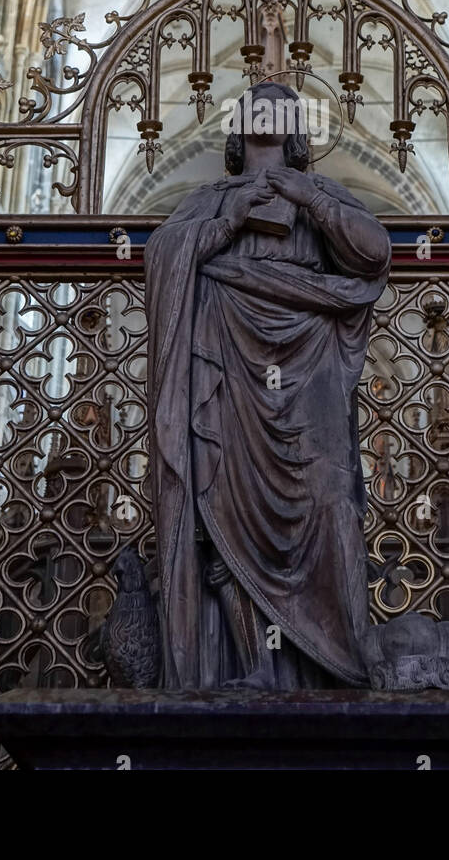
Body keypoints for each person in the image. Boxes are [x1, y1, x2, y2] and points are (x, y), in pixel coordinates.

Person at [144, 81, 391, 687]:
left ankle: (340, 664)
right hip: (229, 354)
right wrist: (226, 224)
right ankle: (252, 666)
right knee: (222, 504)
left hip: (308, 361)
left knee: (328, 499)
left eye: (280, 105)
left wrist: (310, 199)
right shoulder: (211, 197)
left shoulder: (319, 192)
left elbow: (374, 252)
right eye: (254, 102)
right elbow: (164, 255)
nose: (265, 111)